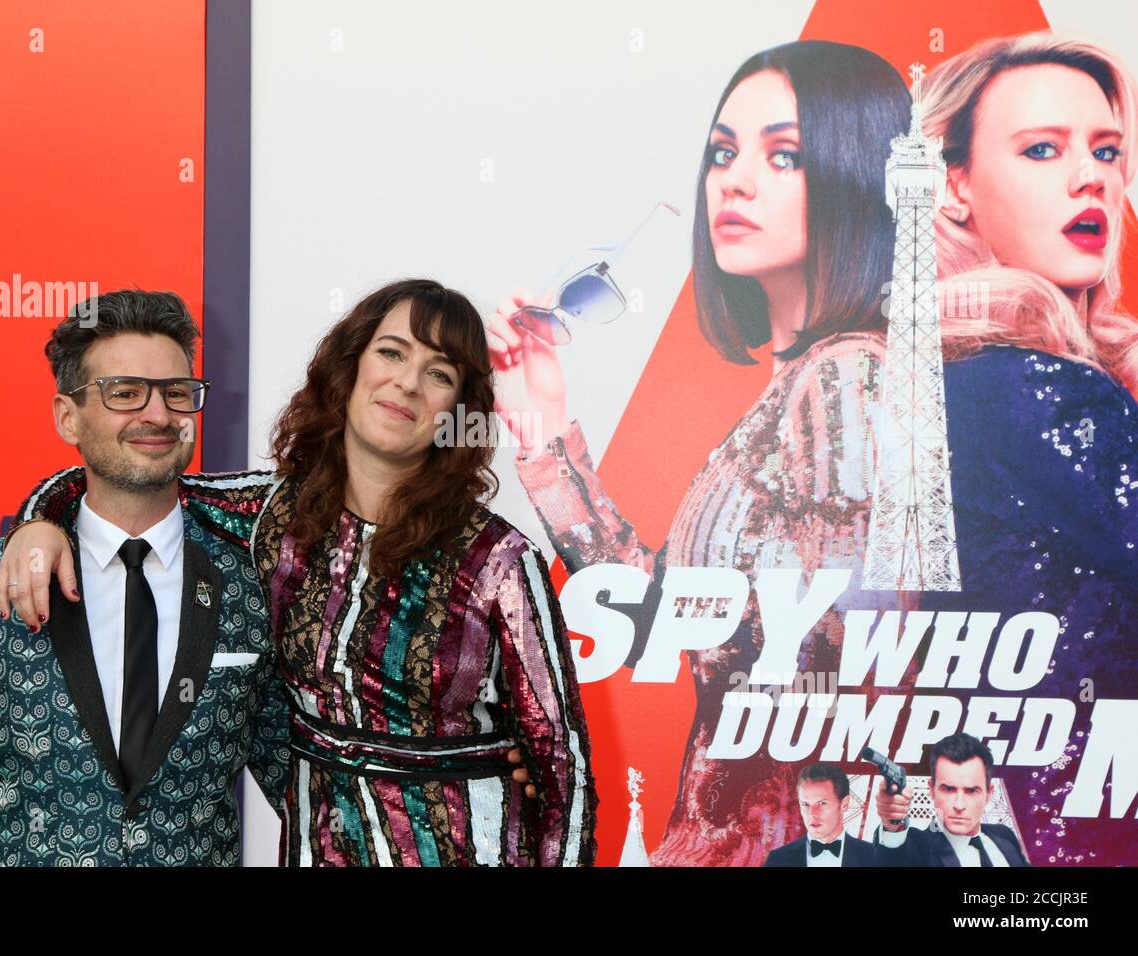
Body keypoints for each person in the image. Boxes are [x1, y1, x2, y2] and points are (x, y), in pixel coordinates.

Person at [0, 279, 596, 866]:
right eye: (391, 352)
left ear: (456, 411)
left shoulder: (498, 558)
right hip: (319, 846)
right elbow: (127, 480)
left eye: (439, 373)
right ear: (350, 366)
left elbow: (559, 762)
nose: (407, 383)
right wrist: (39, 522)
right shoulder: (269, 516)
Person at [488, 40, 911, 866]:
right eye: (723, 151)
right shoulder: (800, 382)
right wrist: (544, 427)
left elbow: (850, 678)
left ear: (857, 172)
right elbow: (678, 620)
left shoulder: (848, 379)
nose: (734, 179)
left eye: (782, 154)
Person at [0, 291, 291, 866]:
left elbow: (306, 792)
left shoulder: (251, 585)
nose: (157, 415)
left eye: (176, 394)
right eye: (125, 393)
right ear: (68, 416)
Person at [920, 32, 1138, 865]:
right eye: (1042, 149)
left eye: (1107, 150)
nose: (1092, 177)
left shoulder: (963, 374)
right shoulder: (1025, 389)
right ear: (953, 186)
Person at [873, 733, 1030, 867]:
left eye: (971, 791)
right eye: (948, 789)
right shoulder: (917, 847)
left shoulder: (1004, 835)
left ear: (989, 794)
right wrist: (892, 825)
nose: (959, 805)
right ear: (931, 790)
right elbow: (893, 857)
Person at [763, 763, 875, 867]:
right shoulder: (778, 859)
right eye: (805, 804)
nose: (812, 813)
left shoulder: (873, 857)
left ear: (844, 804)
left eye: (822, 803)